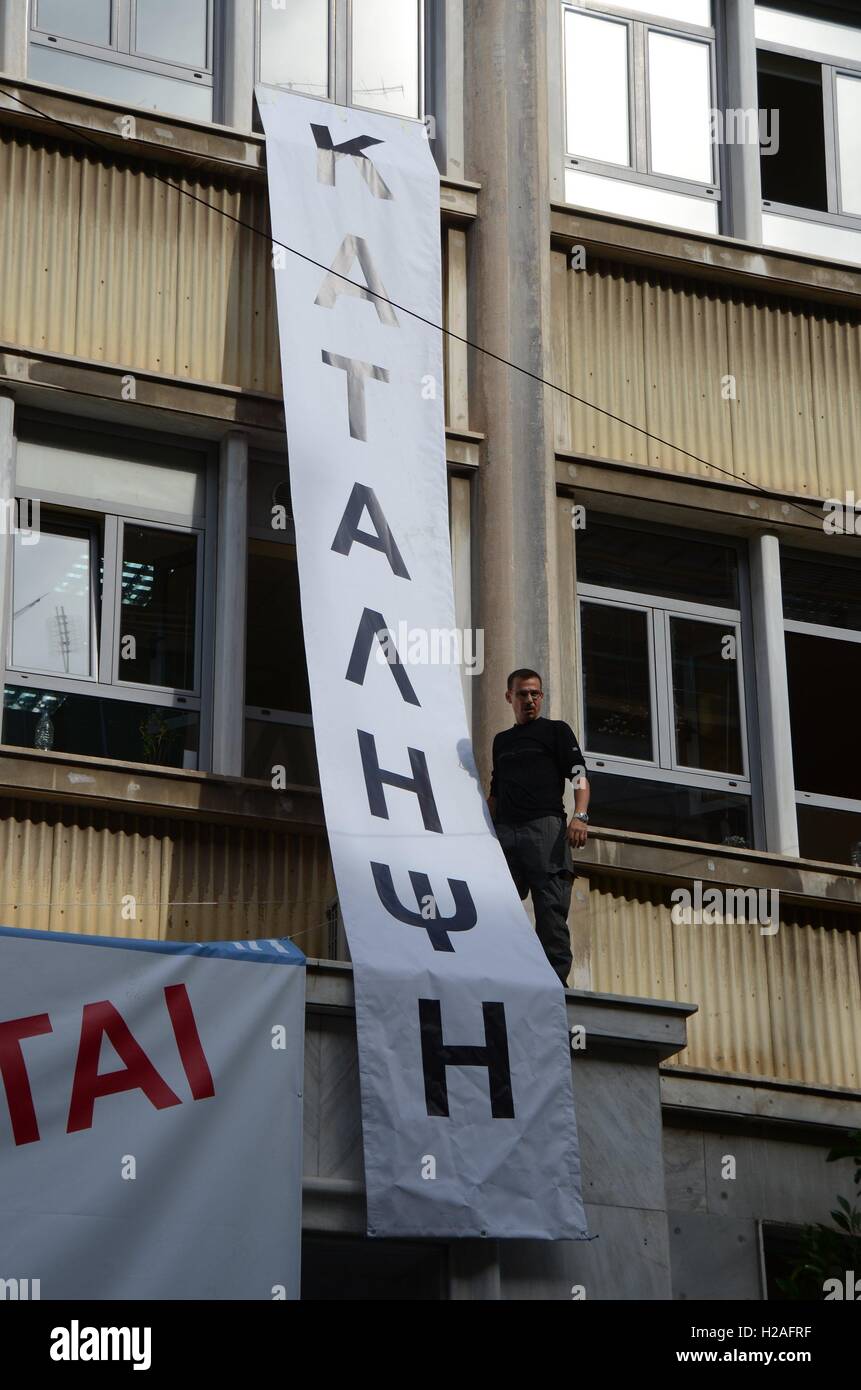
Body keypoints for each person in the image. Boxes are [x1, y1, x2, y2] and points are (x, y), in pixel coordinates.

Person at [487, 669, 590, 985]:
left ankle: (554, 983)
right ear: (510, 697)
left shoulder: (556, 731)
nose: (529, 700)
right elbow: (494, 792)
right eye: (522, 694)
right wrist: (482, 835)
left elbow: (578, 775)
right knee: (496, 904)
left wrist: (580, 815)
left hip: (545, 829)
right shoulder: (501, 742)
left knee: (550, 908)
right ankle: (503, 975)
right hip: (505, 832)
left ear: (542, 696)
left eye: (535, 693)